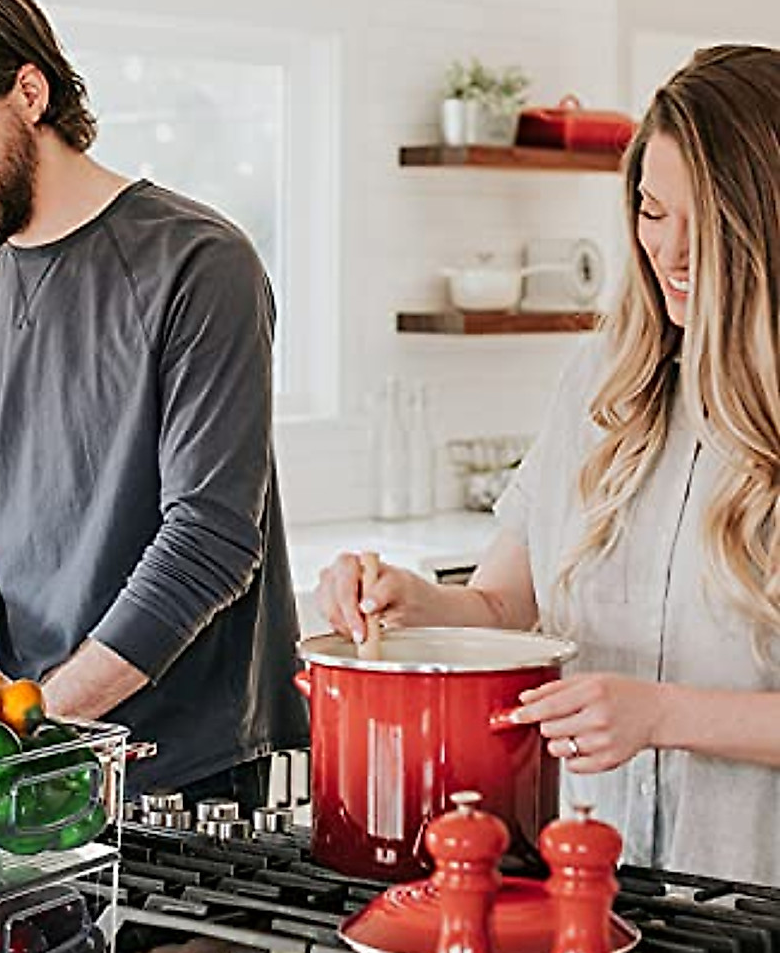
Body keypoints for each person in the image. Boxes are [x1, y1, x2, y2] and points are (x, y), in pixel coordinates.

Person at [316, 45, 780, 885]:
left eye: (702, 220)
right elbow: (503, 602)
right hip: (593, 891)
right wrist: (411, 604)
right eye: (650, 211)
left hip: (759, 906)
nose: (668, 253)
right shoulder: (604, 379)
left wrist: (667, 715)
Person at [0, 0, 308, 808]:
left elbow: (210, 540)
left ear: (30, 92)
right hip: (26, 748)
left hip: (181, 769)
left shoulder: (200, 263)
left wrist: (35, 728)